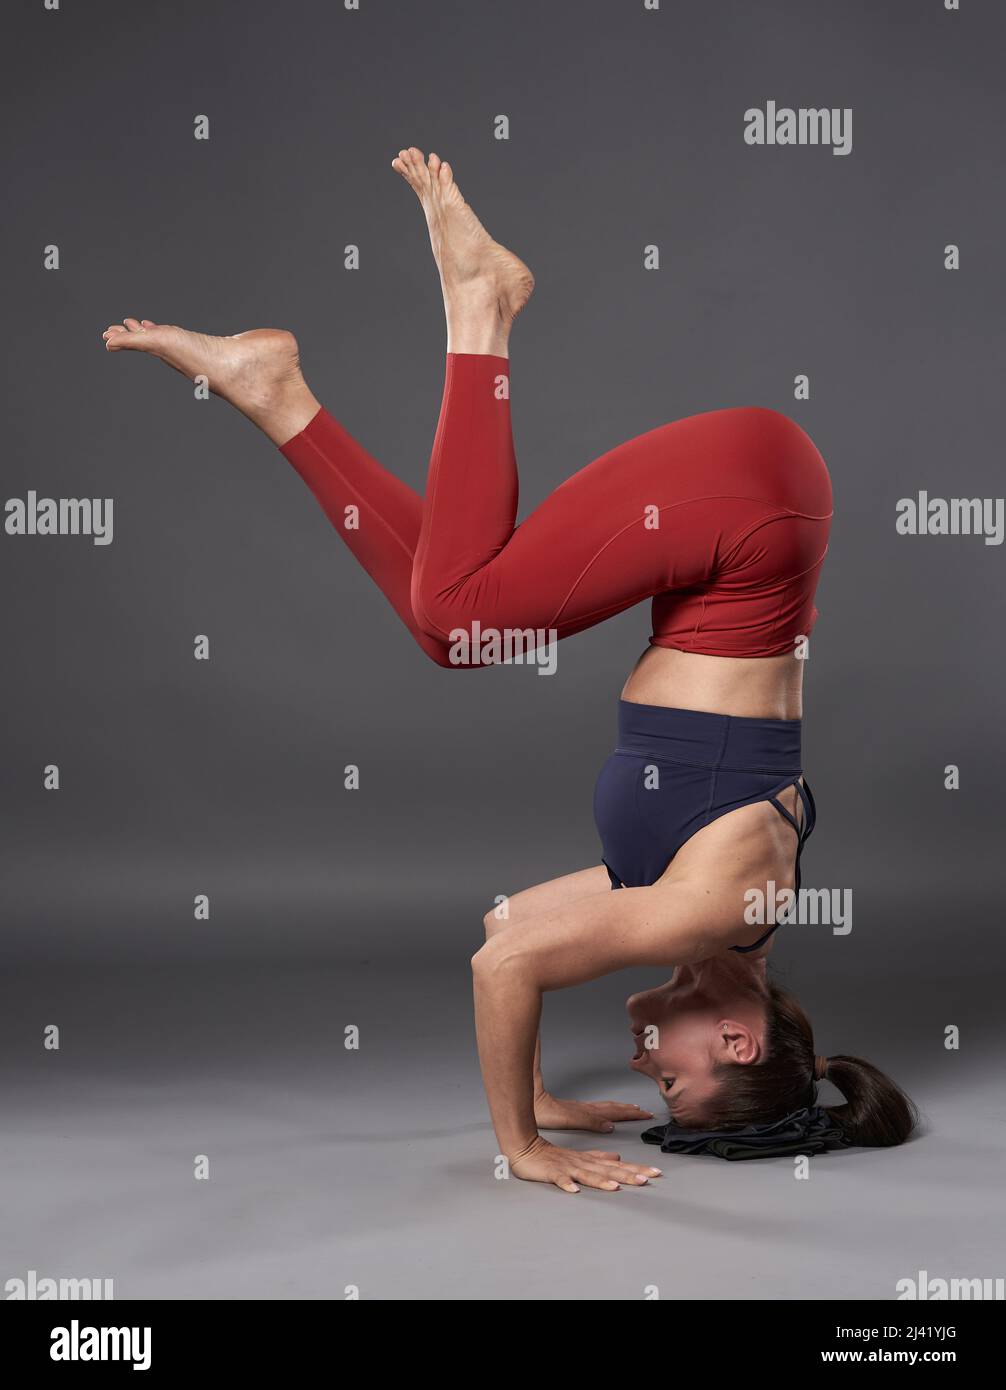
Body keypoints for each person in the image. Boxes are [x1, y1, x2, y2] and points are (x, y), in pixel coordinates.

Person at [103, 147, 917, 1194]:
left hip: (748, 503)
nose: (645, 1072)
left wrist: (533, 1086)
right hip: (744, 508)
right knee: (458, 609)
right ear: (737, 1044)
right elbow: (506, 971)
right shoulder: (706, 909)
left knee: (448, 623)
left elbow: (506, 929)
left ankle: (276, 393)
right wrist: (522, 1147)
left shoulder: (695, 907)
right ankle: (481, 303)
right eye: (677, 1085)